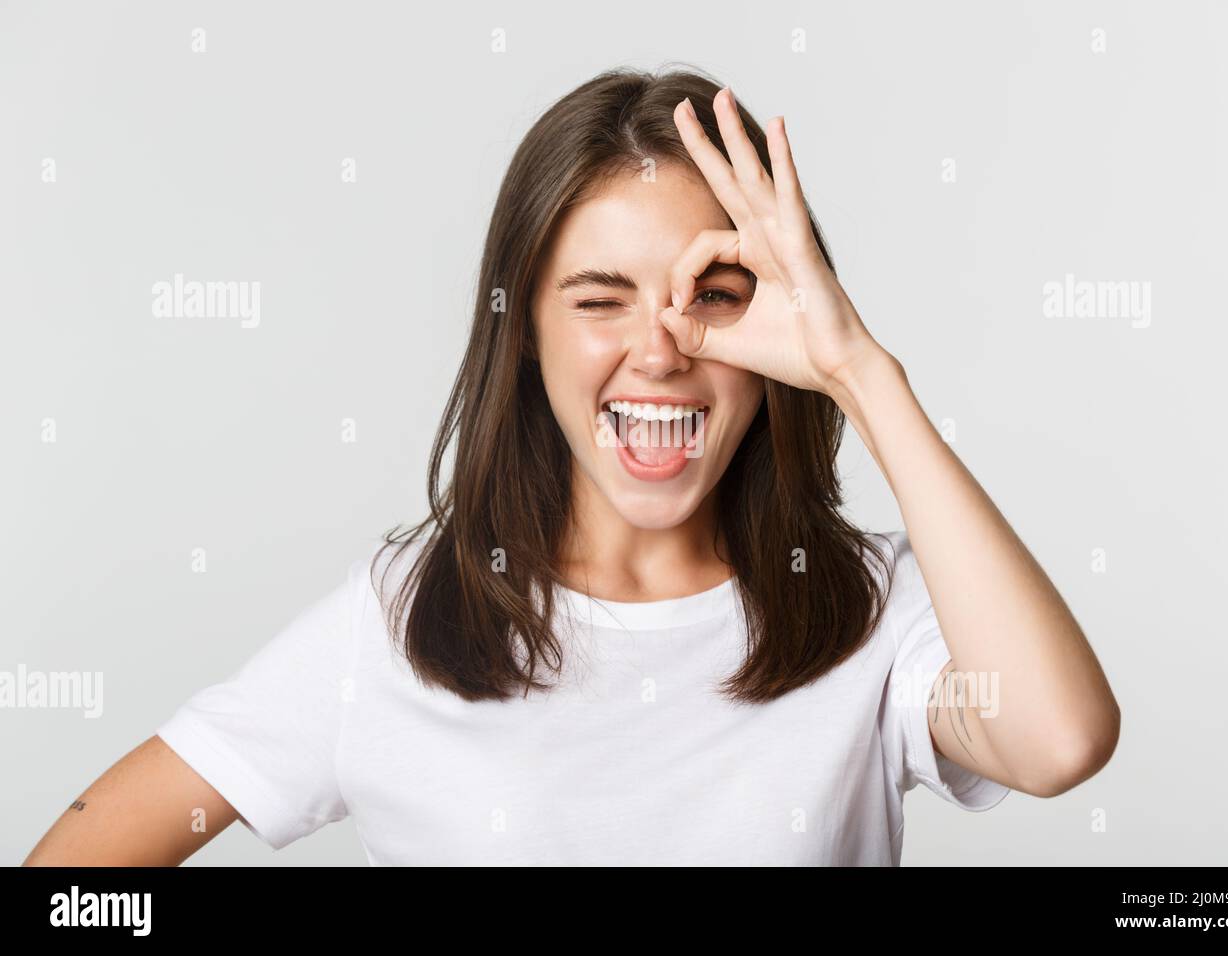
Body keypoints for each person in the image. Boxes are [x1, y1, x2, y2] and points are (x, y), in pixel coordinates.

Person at [23, 66, 1120, 867]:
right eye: (599, 300)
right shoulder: (401, 623)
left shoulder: (869, 612)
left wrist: (857, 371)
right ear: (526, 332)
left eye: (715, 297)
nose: (659, 346)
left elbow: (1060, 737)